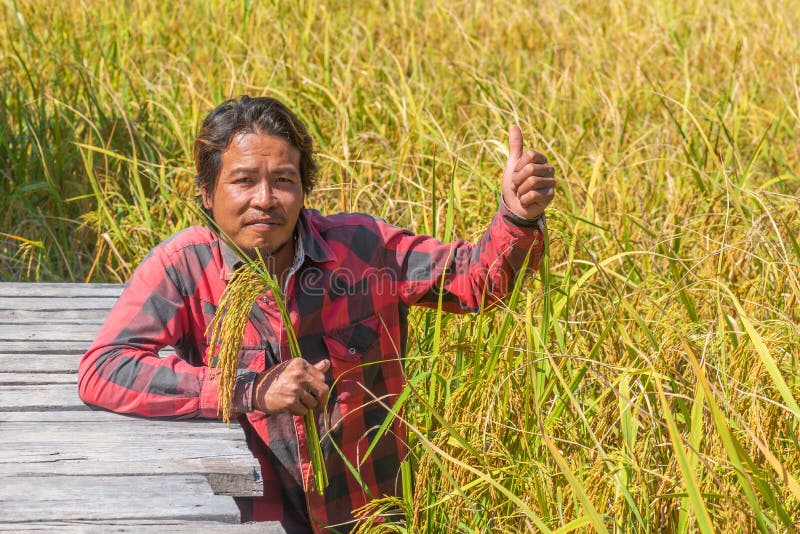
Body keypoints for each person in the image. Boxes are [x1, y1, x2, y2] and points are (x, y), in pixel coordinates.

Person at [78, 95, 554, 533]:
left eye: (284, 180)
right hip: (256, 517)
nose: (265, 199)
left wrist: (517, 217)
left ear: (305, 188)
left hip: (366, 515)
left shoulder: (363, 249)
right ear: (207, 192)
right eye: (244, 181)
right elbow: (103, 368)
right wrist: (248, 389)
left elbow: (478, 283)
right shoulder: (184, 267)